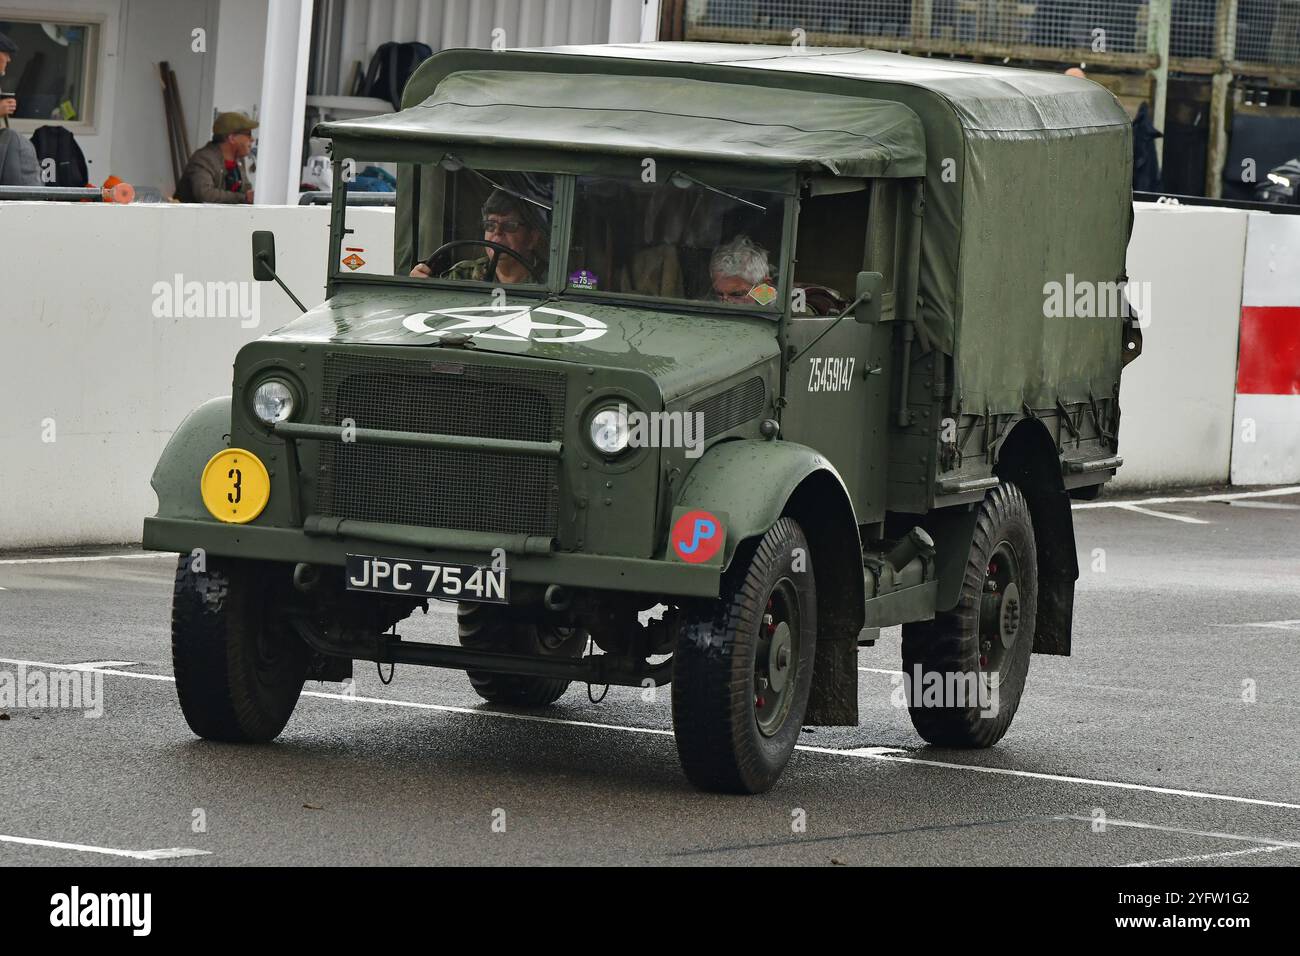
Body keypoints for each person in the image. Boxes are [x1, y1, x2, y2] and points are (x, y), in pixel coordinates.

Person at [410, 188, 545, 283]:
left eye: (510, 226)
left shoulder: (550, 281)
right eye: (490, 225)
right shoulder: (463, 275)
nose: (497, 232)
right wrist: (421, 286)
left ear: (532, 238)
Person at [175, 111, 257, 203]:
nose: (252, 139)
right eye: (248, 134)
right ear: (232, 138)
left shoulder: (238, 160)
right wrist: (244, 198)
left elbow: (246, 188)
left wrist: (250, 195)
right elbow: (206, 194)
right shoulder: (204, 159)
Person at [709, 234, 775, 305]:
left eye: (737, 294)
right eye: (719, 294)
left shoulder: (781, 310)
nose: (725, 303)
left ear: (764, 286)